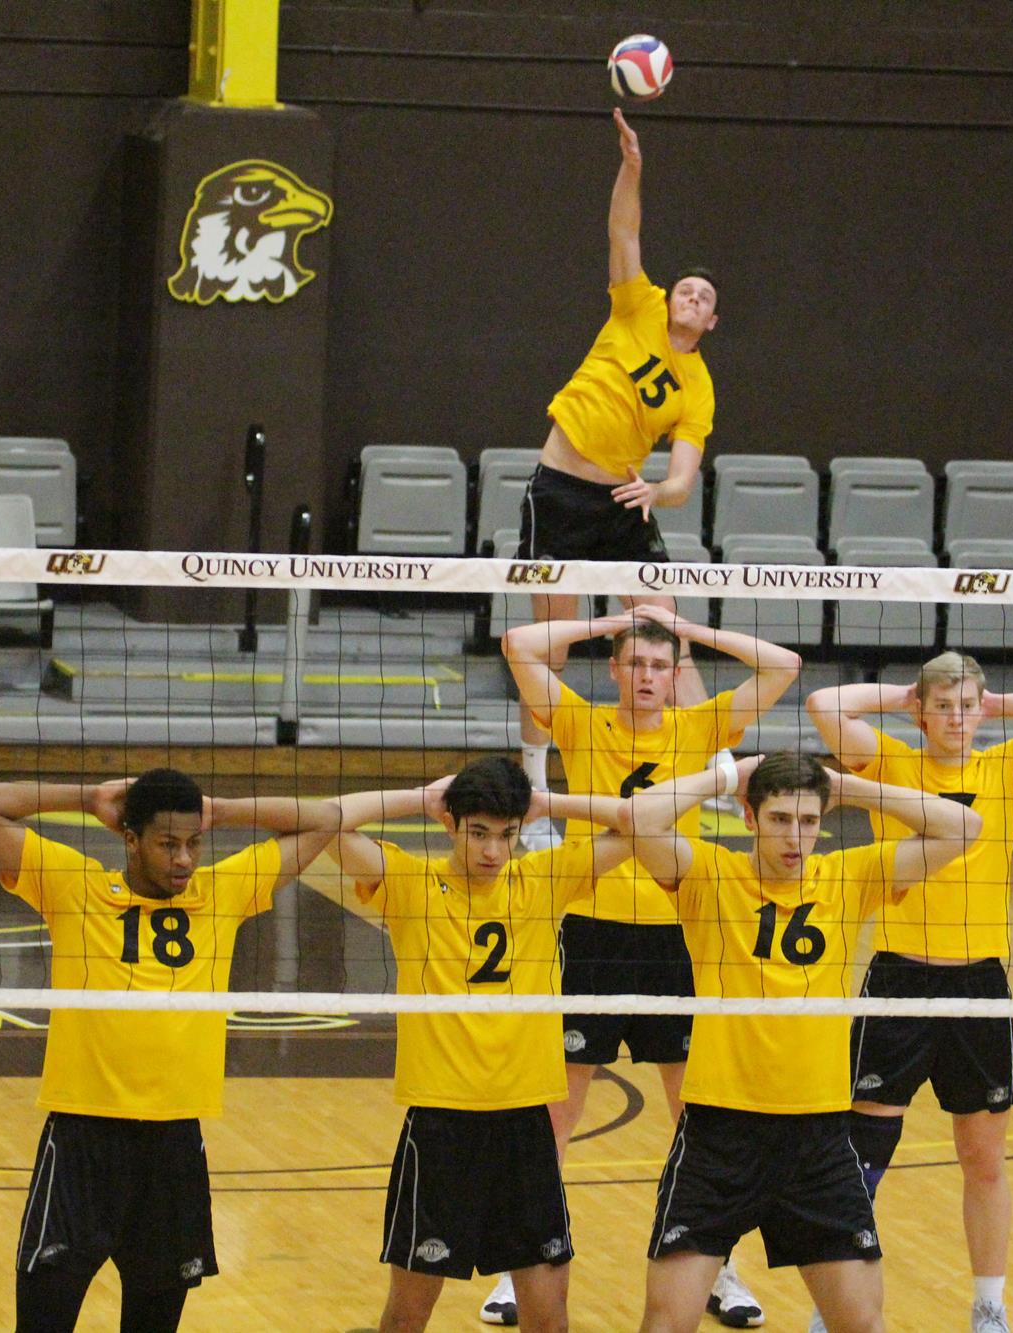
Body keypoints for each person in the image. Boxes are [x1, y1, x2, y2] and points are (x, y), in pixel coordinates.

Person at [0, 769, 339, 1333]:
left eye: (193, 844)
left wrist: (220, 810)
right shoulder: (73, 886)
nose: (184, 860)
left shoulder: (223, 892)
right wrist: (87, 798)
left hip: (173, 1144)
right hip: (84, 1139)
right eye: (166, 844)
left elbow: (324, 819)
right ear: (129, 840)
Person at [498, 605, 800, 1327]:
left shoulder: (701, 728)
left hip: (678, 937)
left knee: (697, 1111)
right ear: (614, 668)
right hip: (593, 934)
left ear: (674, 676)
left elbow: (784, 666)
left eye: (660, 666)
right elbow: (518, 643)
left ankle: (719, 1269)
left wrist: (685, 629)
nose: (647, 676)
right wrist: (619, 617)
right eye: (635, 662)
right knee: (556, 1111)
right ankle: (520, 1268)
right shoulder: (578, 721)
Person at [627, 752, 982, 1333]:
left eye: (810, 821)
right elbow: (638, 819)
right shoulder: (711, 876)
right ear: (748, 816)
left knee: (864, 1324)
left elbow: (964, 828)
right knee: (665, 1325)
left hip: (817, 1137)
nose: (797, 837)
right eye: (780, 819)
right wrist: (723, 776)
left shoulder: (851, 875)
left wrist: (845, 786)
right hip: (722, 1133)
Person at [808, 655, 1013, 1333]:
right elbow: (826, 703)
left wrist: (995, 702)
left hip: (979, 986)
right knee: (861, 1158)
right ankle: (837, 1305)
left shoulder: (1007, 766)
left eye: (967, 706)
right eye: (942, 706)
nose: (956, 718)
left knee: (983, 1158)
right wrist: (907, 694)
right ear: (920, 712)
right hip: (900, 981)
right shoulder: (889, 763)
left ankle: (989, 1306)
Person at [322, 758, 631, 1333]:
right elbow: (328, 824)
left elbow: (641, 823)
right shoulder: (411, 885)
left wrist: (547, 803)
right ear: (451, 825)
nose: (493, 850)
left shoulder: (545, 879)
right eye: (478, 833)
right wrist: (422, 797)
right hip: (442, 1126)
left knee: (550, 1317)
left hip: (524, 1126)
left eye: (507, 834)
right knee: (408, 1314)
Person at [514, 107, 720, 846]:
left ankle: (713, 769)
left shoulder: (698, 388)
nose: (689, 296)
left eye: (703, 297)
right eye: (685, 288)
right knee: (553, 648)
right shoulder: (635, 306)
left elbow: (684, 477)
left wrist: (657, 492)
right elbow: (624, 234)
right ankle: (535, 787)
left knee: (668, 629)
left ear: (711, 322)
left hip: (624, 502)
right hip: (560, 491)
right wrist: (632, 168)